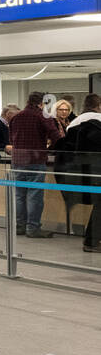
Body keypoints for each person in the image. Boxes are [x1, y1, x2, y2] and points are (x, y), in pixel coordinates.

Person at [8, 92, 64, 238]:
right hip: (35, 160)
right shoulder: (43, 116)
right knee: (35, 195)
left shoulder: (16, 117)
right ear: (42, 103)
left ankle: (19, 226)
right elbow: (55, 136)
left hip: (17, 160)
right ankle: (32, 228)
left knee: (19, 194)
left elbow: (11, 139)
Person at [53, 94, 101, 252]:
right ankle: (91, 242)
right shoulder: (98, 123)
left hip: (80, 173)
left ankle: (91, 241)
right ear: (99, 106)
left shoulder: (74, 124)